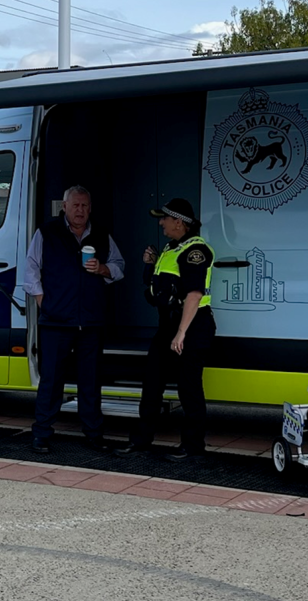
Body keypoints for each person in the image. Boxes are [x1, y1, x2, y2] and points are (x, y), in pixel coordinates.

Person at [25, 185, 124, 453]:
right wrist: (41, 299)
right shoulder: (47, 232)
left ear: (90, 208)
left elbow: (120, 266)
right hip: (56, 321)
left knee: (90, 382)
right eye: (75, 205)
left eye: (84, 206)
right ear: (65, 207)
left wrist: (103, 268)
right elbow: (31, 267)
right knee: (51, 381)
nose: (80, 210)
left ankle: (94, 434)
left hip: (91, 321)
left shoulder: (101, 234)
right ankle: (42, 434)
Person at [119, 197, 217, 461]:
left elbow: (194, 295)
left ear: (179, 222)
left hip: (193, 326)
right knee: (152, 384)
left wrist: (181, 333)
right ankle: (141, 441)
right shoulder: (171, 248)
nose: (161, 223)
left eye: (164, 218)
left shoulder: (196, 251)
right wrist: (150, 263)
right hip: (168, 325)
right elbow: (156, 288)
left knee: (189, 388)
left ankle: (193, 446)